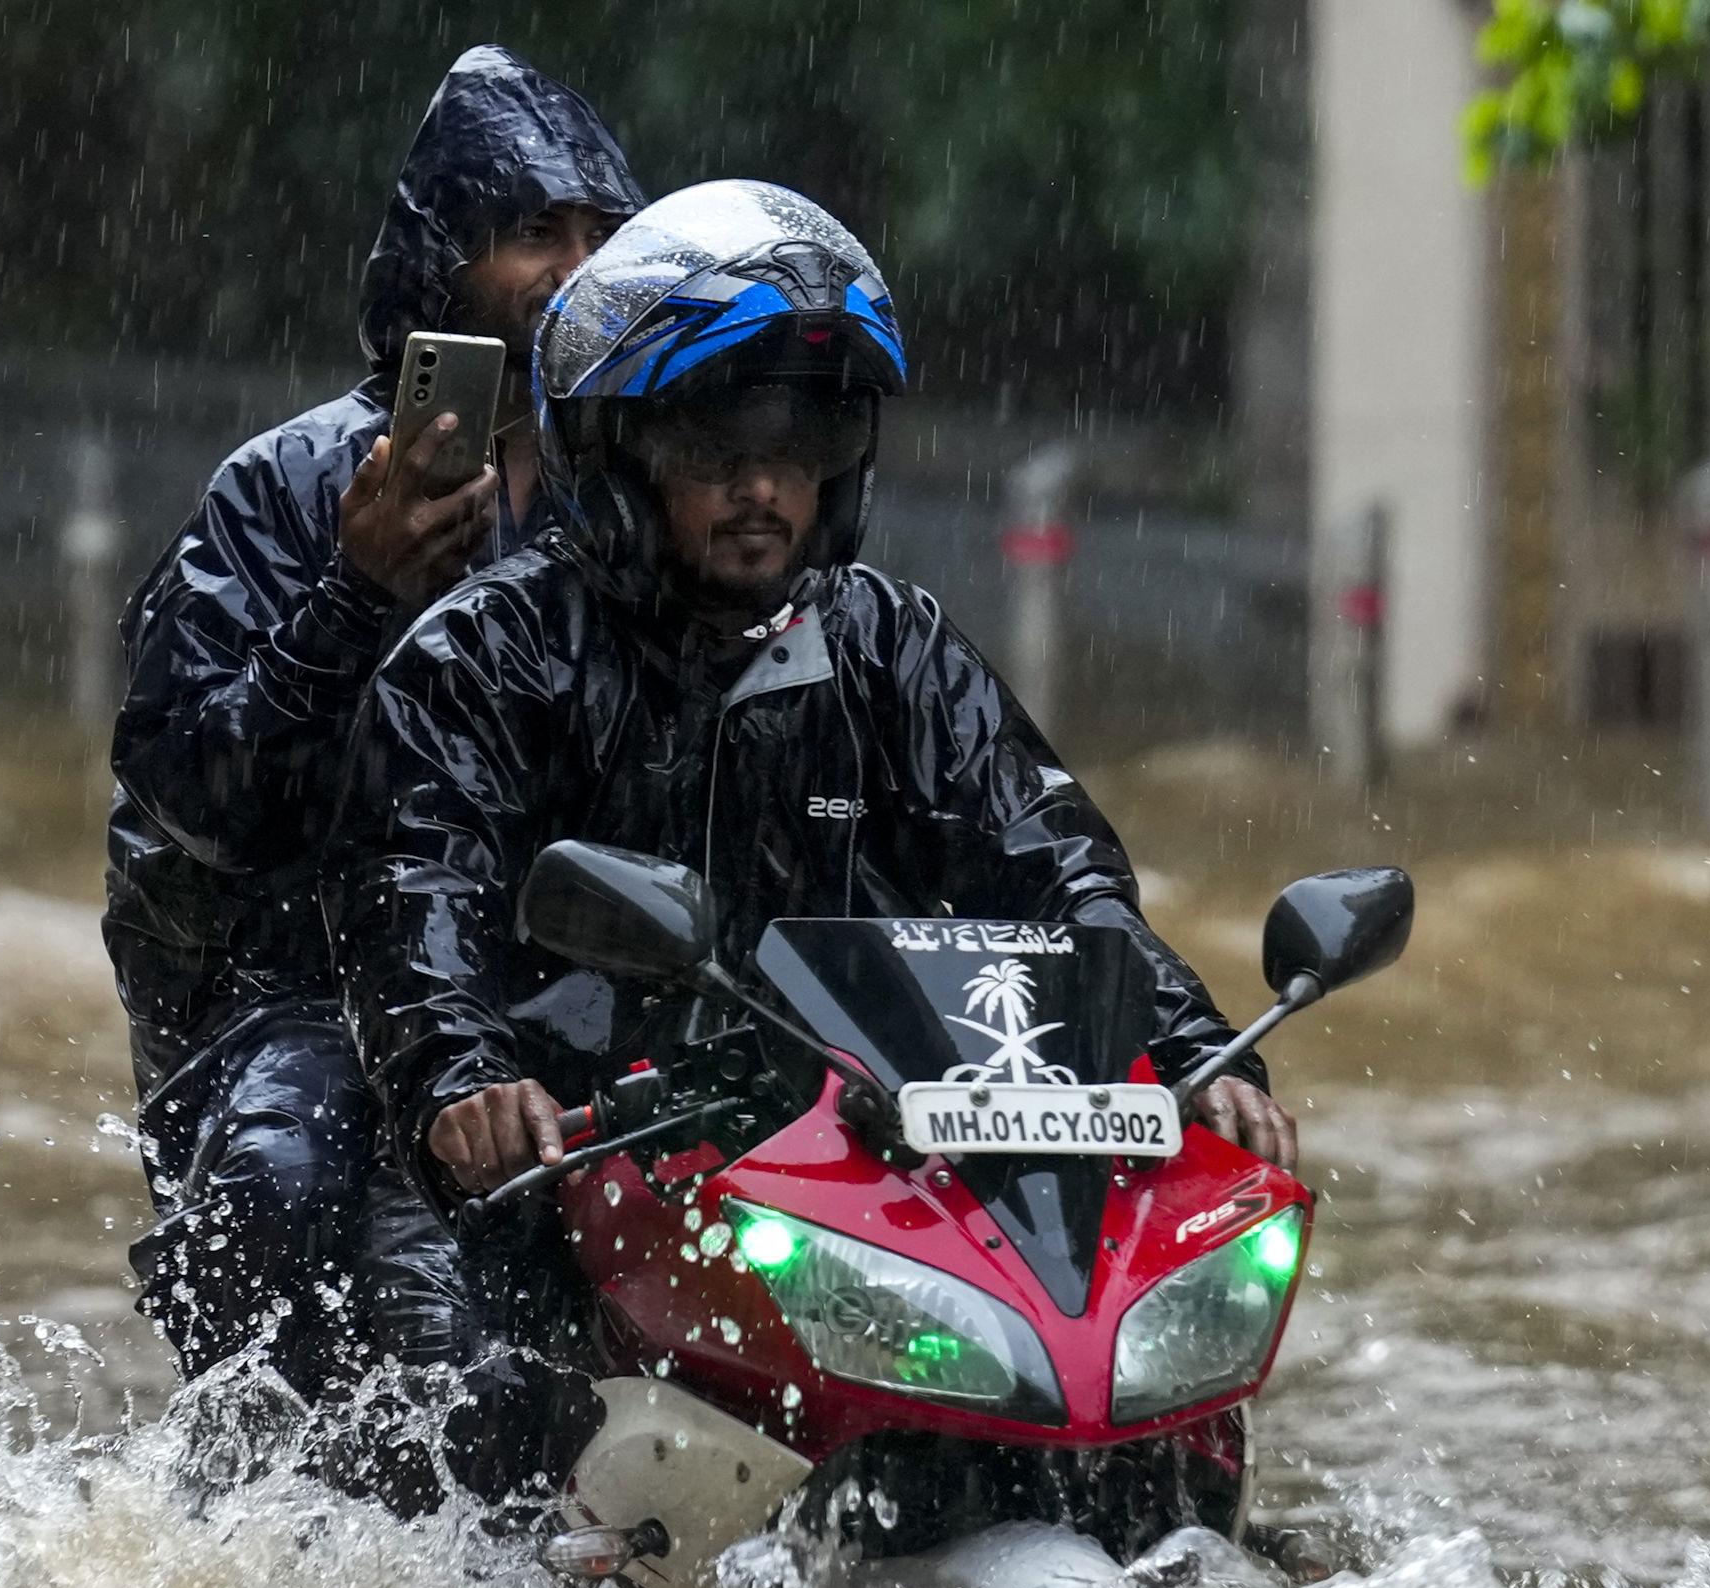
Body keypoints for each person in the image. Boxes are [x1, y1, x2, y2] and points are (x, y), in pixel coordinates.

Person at [339, 182, 1293, 1481]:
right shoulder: (478, 658)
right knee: (457, 1452)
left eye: (804, 440)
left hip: (837, 1154)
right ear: (616, 450)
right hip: (557, 1173)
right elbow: (413, 894)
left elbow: (1057, 869)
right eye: (714, 440)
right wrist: (461, 1083)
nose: (761, 484)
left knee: (1163, 1443)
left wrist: (1194, 1052)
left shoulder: (887, 645)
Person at [104, 47, 640, 1402]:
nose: (575, 267)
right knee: (283, 1180)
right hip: (301, 989)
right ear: (443, 261)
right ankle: (259, 1497)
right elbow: (200, 803)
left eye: (603, 237)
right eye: (533, 234)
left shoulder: (652, 490)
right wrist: (355, 594)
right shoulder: (285, 490)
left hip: (563, 970)